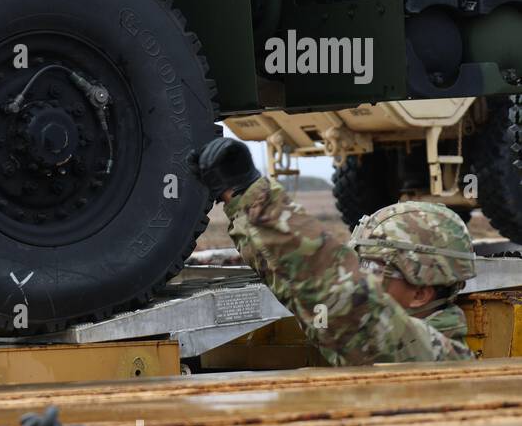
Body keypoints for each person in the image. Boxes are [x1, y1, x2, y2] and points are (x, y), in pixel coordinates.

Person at [191, 138, 476, 366]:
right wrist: (238, 196)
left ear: (420, 293)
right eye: (358, 263)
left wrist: (259, 197)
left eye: (373, 267)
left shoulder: (436, 359)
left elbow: (346, 299)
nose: (359, 274)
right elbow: (296, 281)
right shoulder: (366, 339)